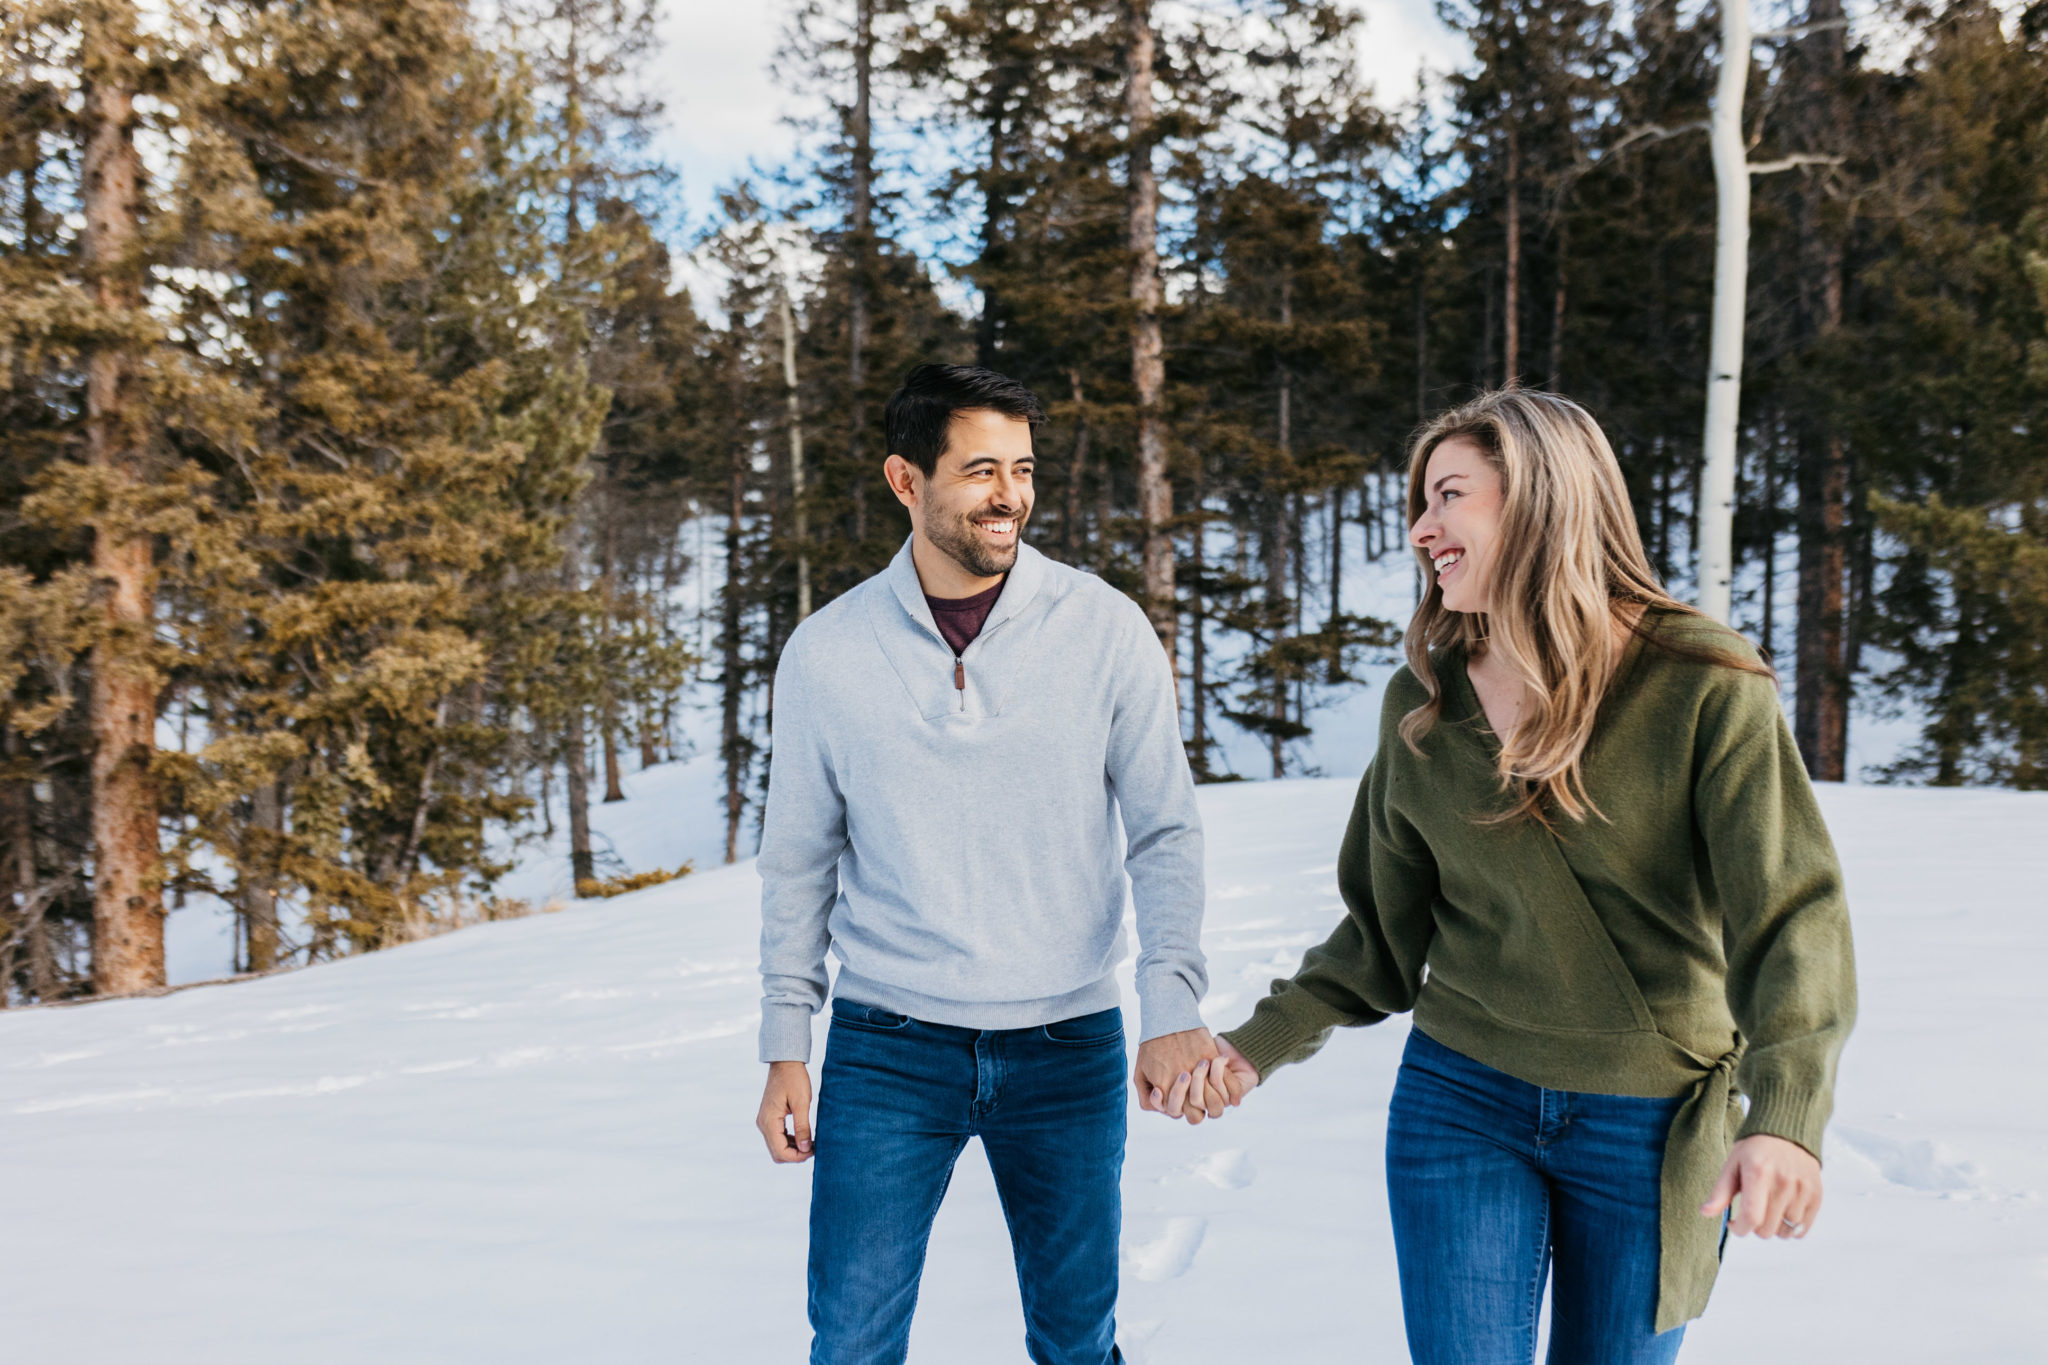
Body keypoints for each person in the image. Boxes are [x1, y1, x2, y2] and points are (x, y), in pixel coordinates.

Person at [1196, 388, 1858, 1363]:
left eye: (1447, 496)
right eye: (1419, 502)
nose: (1419, 529)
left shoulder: (1701, 683)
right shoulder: (1422, 707)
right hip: (1459, 1097)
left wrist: (1788, 1115)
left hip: (1651, 1118)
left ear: (1540, 502)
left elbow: (1789, 914)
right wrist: (1255, 1044)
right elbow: (1380, 936)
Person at [753, 363, 1223, 1365]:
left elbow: (1163, 831)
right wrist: (785, 1039)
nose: (1007, 494)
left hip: (1067, 1046)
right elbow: (797, 863)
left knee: (1074, 1340)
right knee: (850, 1339)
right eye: (977, 470)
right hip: (887, 1050)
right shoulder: (827, 652)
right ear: (904, 482)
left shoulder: (1102, 629)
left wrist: (1170, 1002)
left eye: (1020, 468)